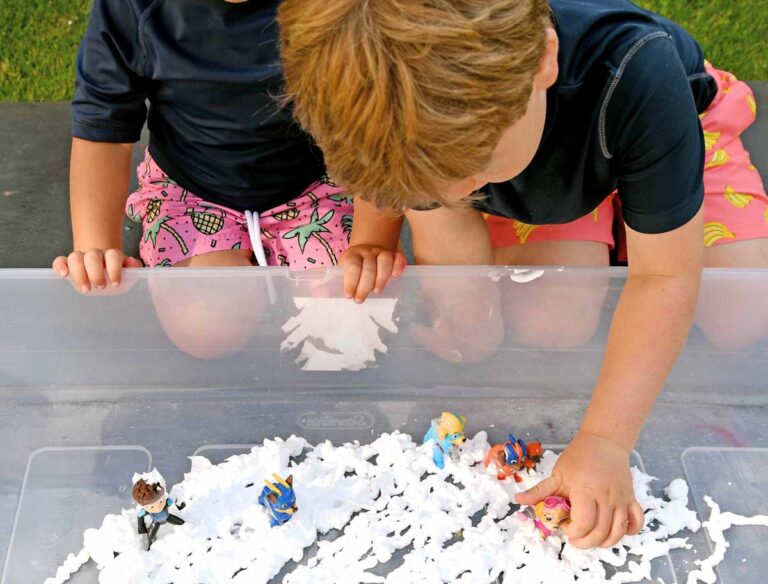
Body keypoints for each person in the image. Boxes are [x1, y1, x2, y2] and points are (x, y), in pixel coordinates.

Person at [277, 0, 768, 548]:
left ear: (545, 62)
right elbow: (404, 169)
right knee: (533, 329)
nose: (448, 195)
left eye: (466, 171)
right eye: (420, 187)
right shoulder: (434, 145)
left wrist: (606, 441)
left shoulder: (637, 70)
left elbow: (665, 279)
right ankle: (600, 217)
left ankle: (641, 213)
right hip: (529, 170)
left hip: (661, 125)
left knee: (740, 315)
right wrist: (377, 234)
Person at [51, 0, 405, 302]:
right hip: (189, 189)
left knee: (347, 321)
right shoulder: (134, 6)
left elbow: (377, 113)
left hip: (315, 182)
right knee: (207, 327)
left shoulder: (336, 8)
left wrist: (372, 241)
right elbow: (104, 127)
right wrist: (96, 249)